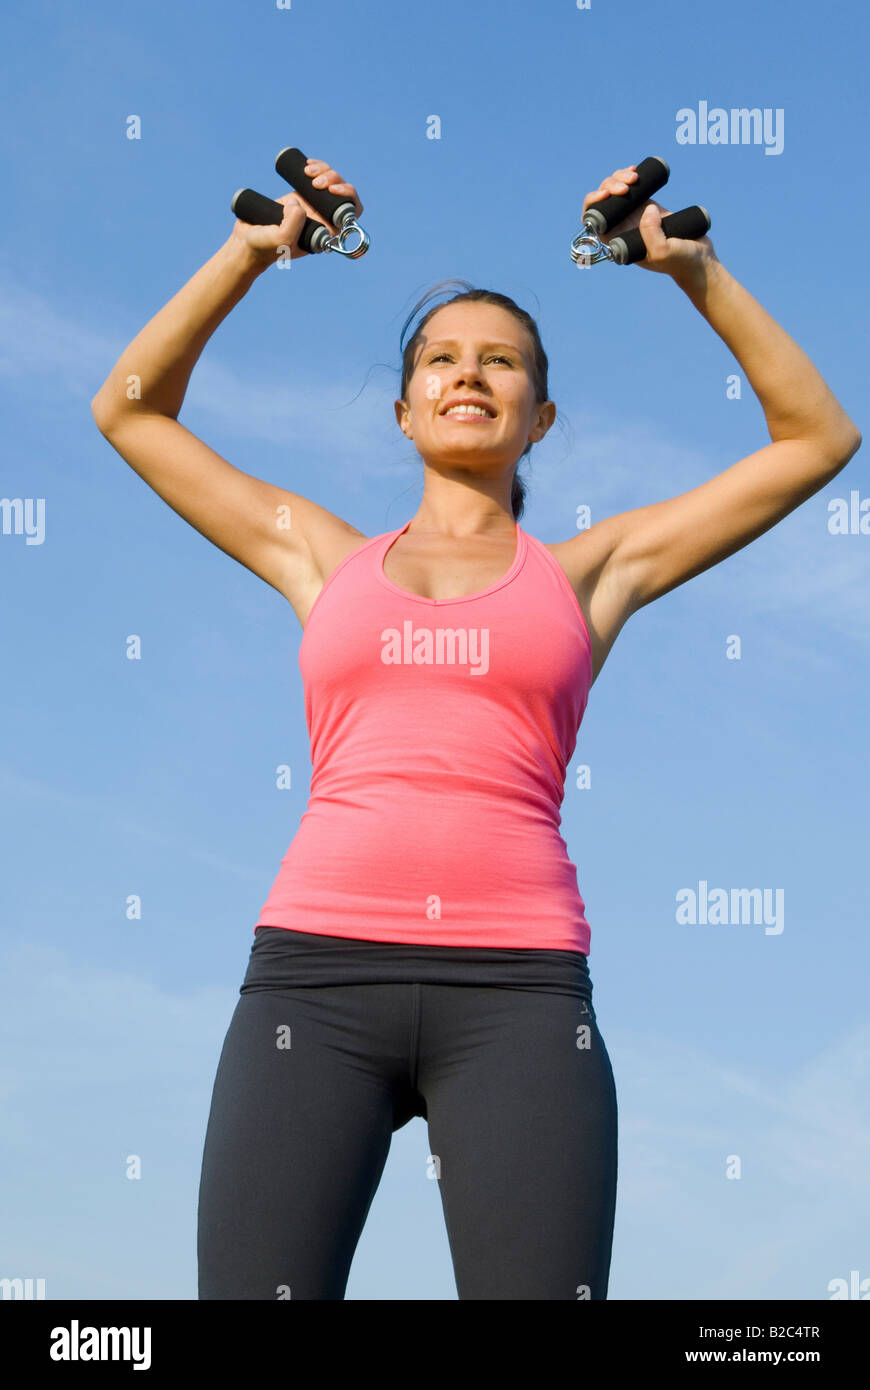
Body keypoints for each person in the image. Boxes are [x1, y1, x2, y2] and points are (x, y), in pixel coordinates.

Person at [90, 157, 861, 1301]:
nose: (468, 373)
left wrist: (693, 271)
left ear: (540, 414)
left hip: (522, 993)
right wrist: (251, 253)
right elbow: (131, 406)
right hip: (313, 978)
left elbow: (817, 440)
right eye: (440, 358)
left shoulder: (592, 572)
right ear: (404, 409)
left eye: (501, 360)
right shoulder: (319, 553)